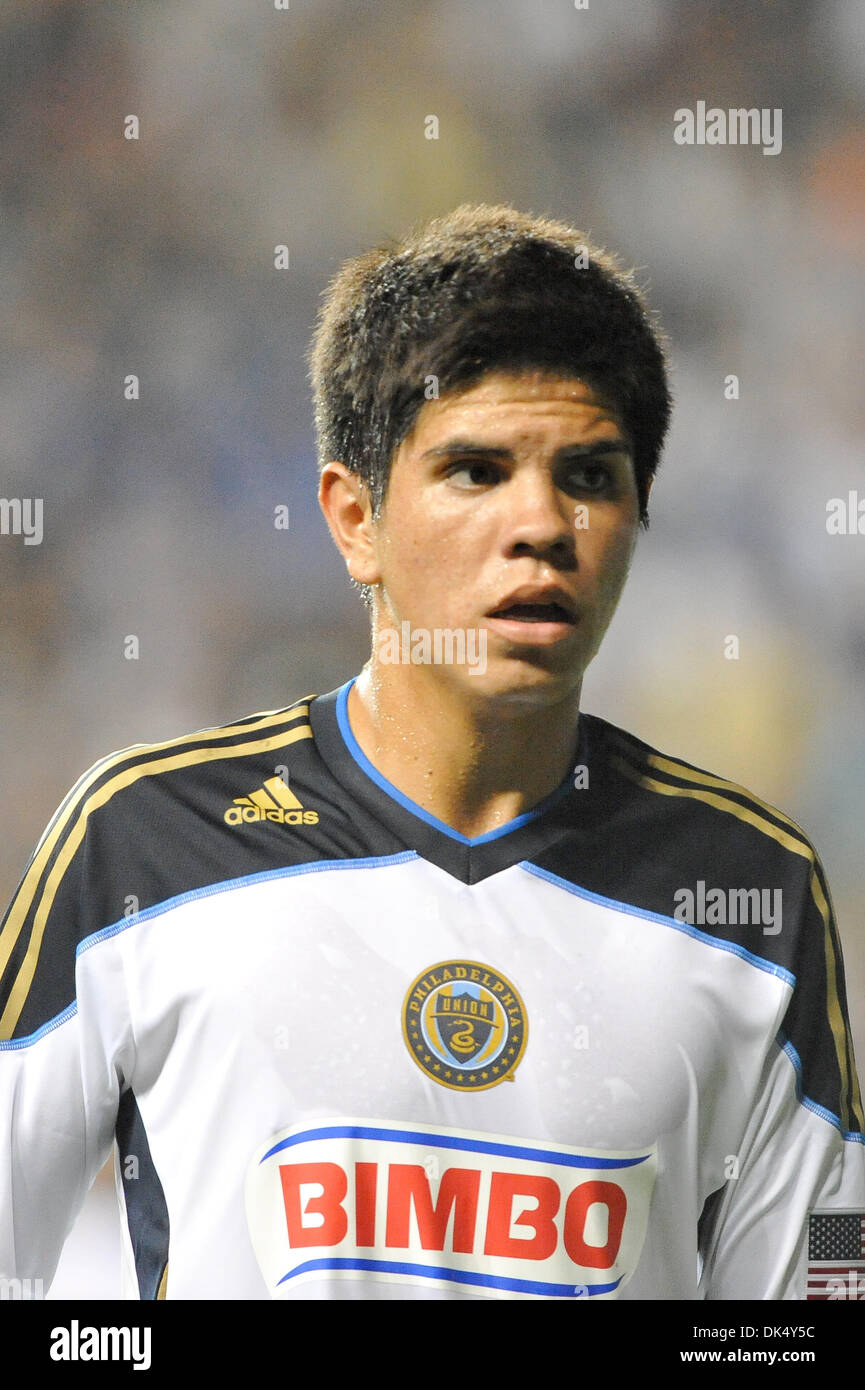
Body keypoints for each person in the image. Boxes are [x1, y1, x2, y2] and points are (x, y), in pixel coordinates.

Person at [1, 204, 862, 1302]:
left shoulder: (751, 887)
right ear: (354, 518)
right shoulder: (141, 844)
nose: (541, 521)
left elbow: (814, 1316)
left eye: (590, 476)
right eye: (475, 470)